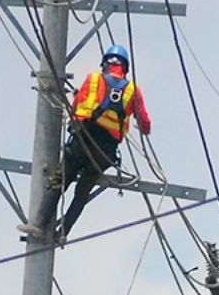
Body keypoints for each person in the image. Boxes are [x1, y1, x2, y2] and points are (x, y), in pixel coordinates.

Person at [17, 44, 151, 240]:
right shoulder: (133, 91)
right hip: (104, 153)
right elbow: (146, 125)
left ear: (105, 63)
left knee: (58, 182)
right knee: (81, 195)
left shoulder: (94, 79)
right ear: (125, 67)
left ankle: (37, 224)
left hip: (83, 142)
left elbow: (77, 105)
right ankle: (63, 232)